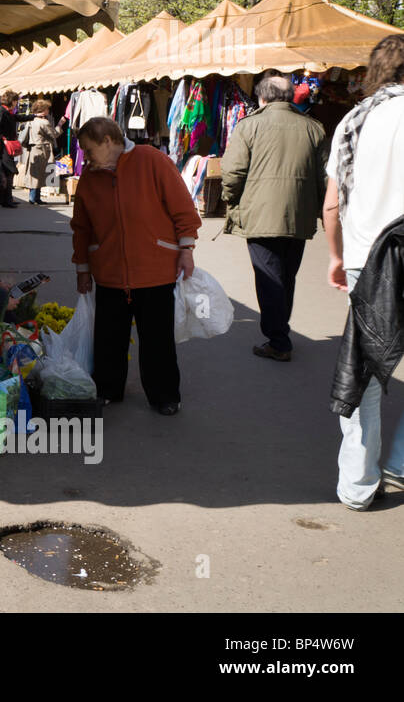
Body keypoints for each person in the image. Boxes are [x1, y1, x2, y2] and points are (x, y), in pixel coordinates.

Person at [71, 116, 201, 415]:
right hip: (110, 270)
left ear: (107, 141)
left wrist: (186, 249)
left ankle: (165, 396)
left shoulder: (152, 160)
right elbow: (81, 227)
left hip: (154, 269)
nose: (86, 158)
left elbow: (182, 208)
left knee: (157, 339)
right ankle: (107, 389)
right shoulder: (91, 177)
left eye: (89, 150)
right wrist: (82, 269)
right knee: (108, 338)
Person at [323, 34, 404, 510]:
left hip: (366, 258)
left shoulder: (356, 118)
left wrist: (335, 256)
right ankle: (398, 459)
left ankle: (358, 485)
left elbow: (333, 203)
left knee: (366, 376)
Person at [220, 74, 327, 362]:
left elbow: (232, 172)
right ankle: (281, 330)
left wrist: (232, 199)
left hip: (260, 214)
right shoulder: (313, 128)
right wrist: (320, 211)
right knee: (286, 276)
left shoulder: (249, 126)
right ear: (291, 97)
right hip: (299, 218)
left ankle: (278, 340)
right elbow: (324, 179)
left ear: (262, 97)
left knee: (269, 278)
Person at [18, 98, 59, 205]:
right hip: (42, 150)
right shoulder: (44, 122)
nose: (48, 111)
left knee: (34, 174)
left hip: (32, 149)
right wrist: (60, 125)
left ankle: (34, 197)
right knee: (40, 174)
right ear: (43, 110)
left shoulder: (31, 121)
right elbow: (54, 134)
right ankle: (34, 198)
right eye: (47, 109)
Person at [0, 90, 21, 207]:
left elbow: (17, 118)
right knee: (9, 172)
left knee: (7, 173)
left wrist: (33, 116)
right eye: (16, 101)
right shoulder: (2, 112)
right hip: (3, 148)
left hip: (6, 148)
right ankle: (6, 200)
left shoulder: (8, 112)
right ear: (12, 101)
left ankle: (3, 199)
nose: (17, 103)